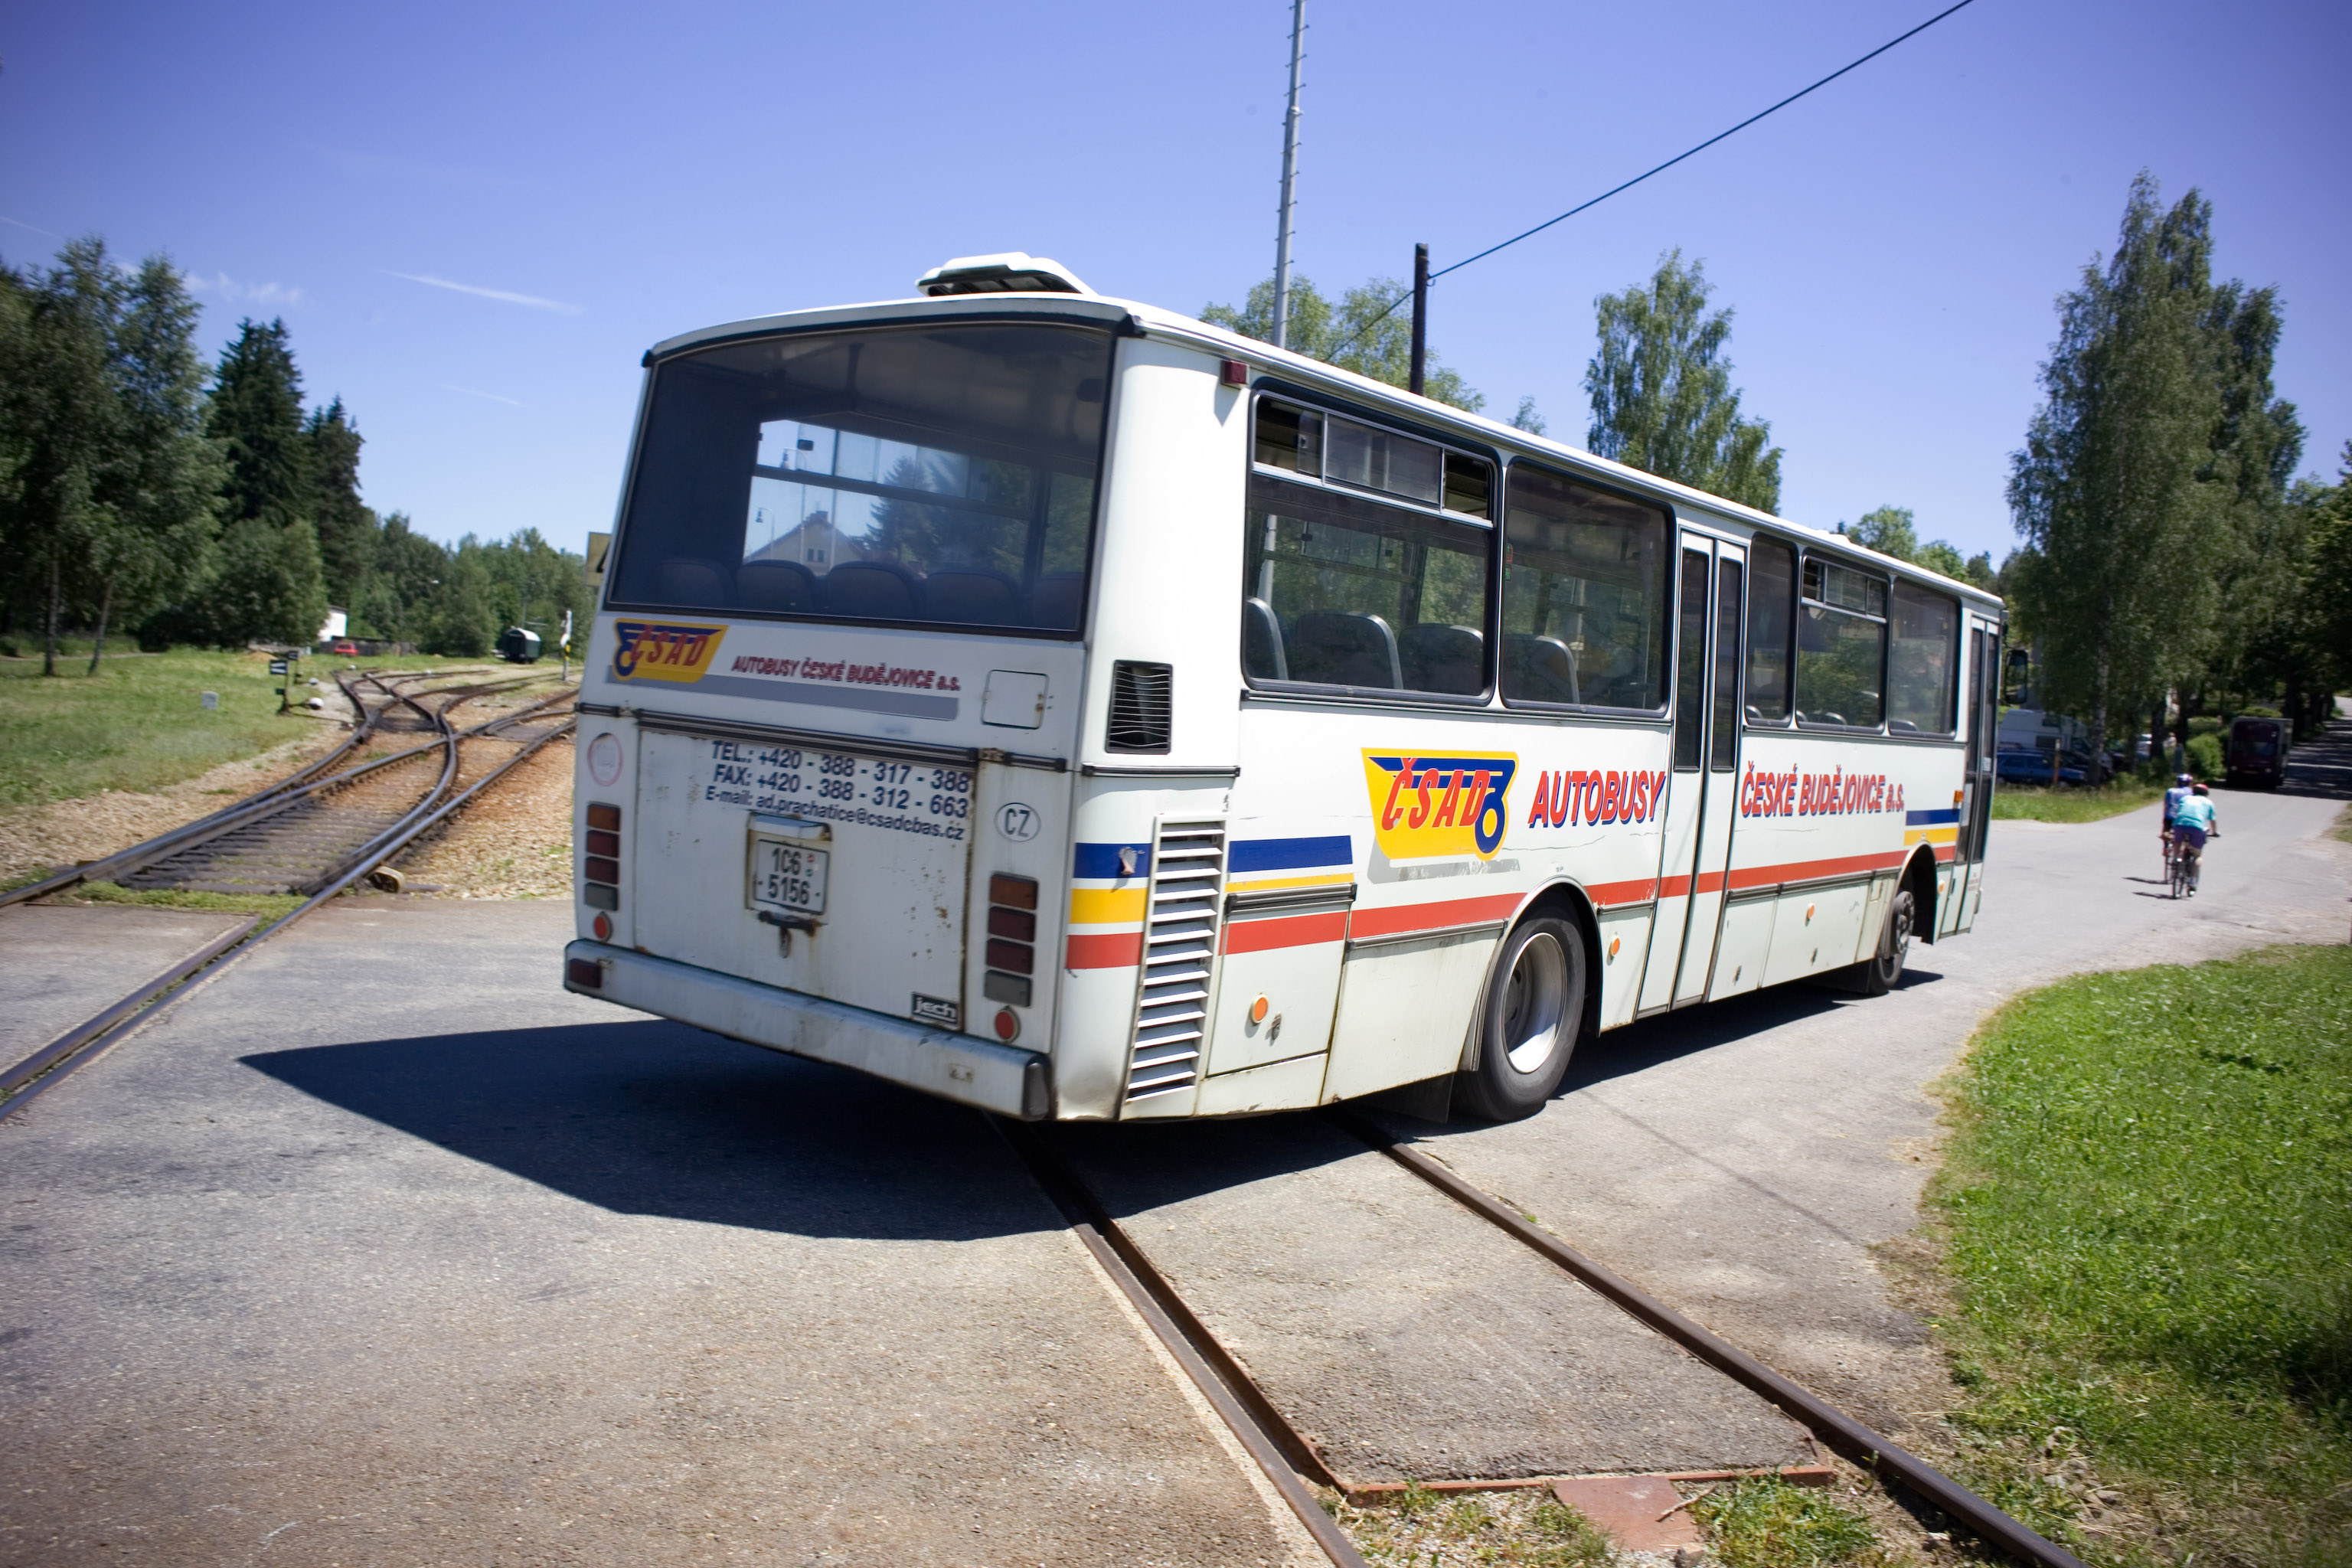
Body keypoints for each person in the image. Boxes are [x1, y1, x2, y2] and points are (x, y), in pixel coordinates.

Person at [2171, 783, 2219, 894]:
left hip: (2179, 824)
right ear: (2206, 794)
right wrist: (2215, 832)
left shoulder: (2185, 798)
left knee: (2178, 843)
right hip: (2197, 827)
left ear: (2193, 792)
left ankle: (2176, 860)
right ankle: (2192, 881)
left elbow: (2178, 812)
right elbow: (2212, 820)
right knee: (2197, 855)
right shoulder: (2209, 802)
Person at [2160, 772, 2195, 864]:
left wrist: (2165, 816)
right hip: (2185, 817)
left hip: (2170, 816)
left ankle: (2166, 847)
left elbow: (2166, 805)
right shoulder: (2192, 792)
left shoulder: (2170, 791)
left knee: (2166, 831)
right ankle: (2185, 849)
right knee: (2188, 834)